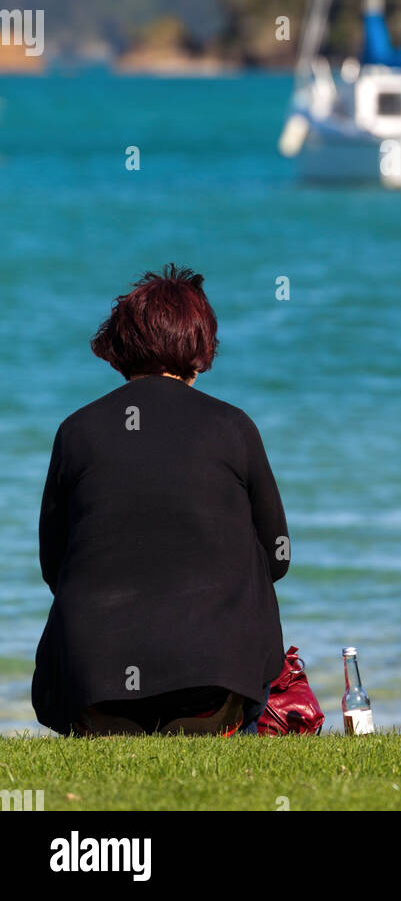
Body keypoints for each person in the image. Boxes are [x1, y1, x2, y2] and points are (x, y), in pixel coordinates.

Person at [32, 265, 289, 736]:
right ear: (200, 343)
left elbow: (54, 565)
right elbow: (277, 556)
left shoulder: (76, 431)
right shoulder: (233, 427)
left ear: (119, 345)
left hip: (96, 692)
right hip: (214, 689)